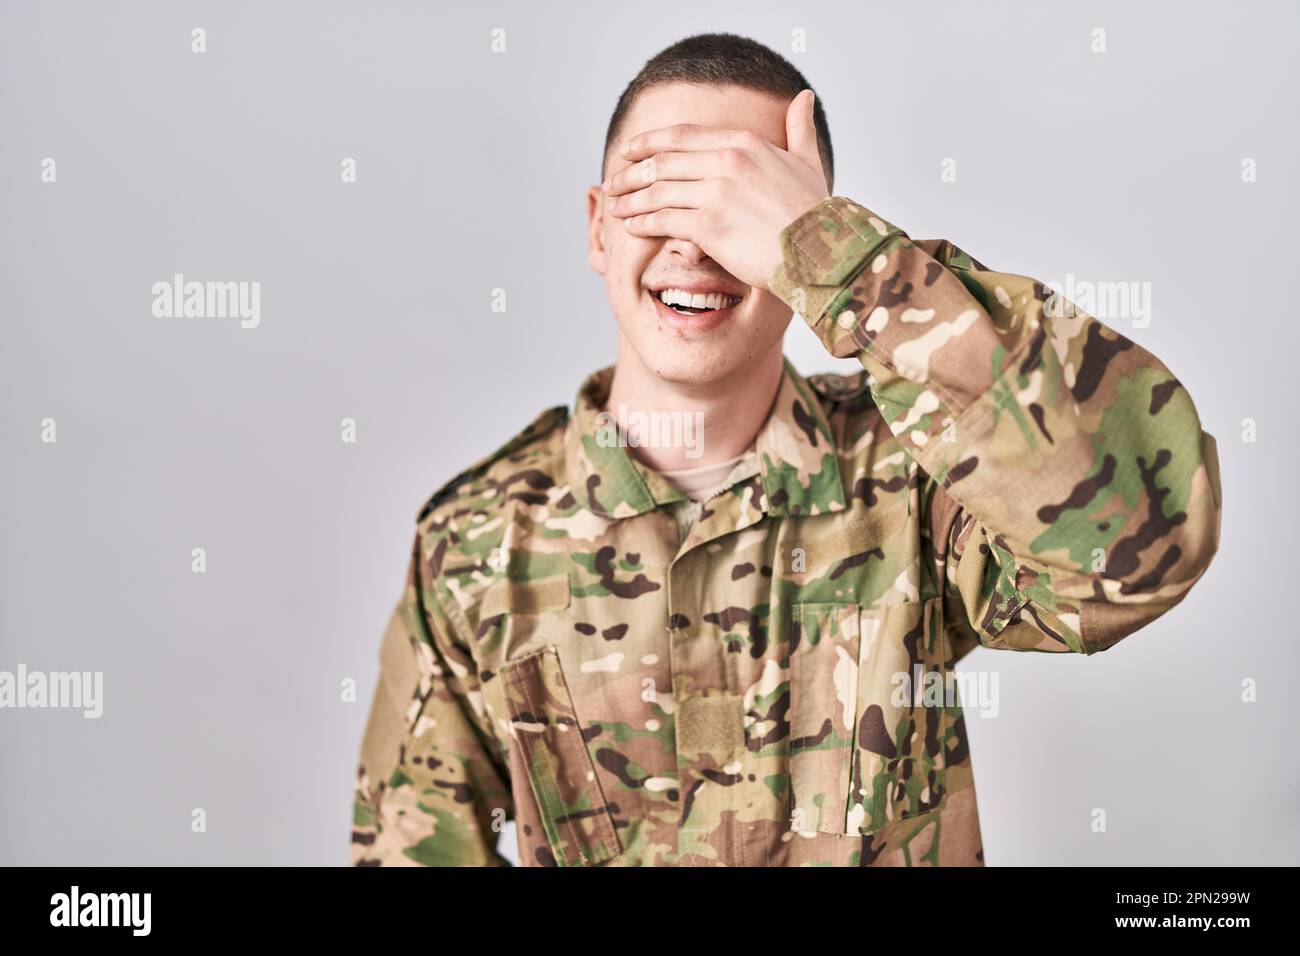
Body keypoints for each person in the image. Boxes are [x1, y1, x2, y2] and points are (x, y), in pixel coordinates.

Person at [349, 33, 1221, 867]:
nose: (693, 243)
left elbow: (1134, 556)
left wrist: (849, 263)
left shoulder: (914, 477)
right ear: (598, 229)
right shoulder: (475, 545)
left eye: (738, 203)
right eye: (657, 192)